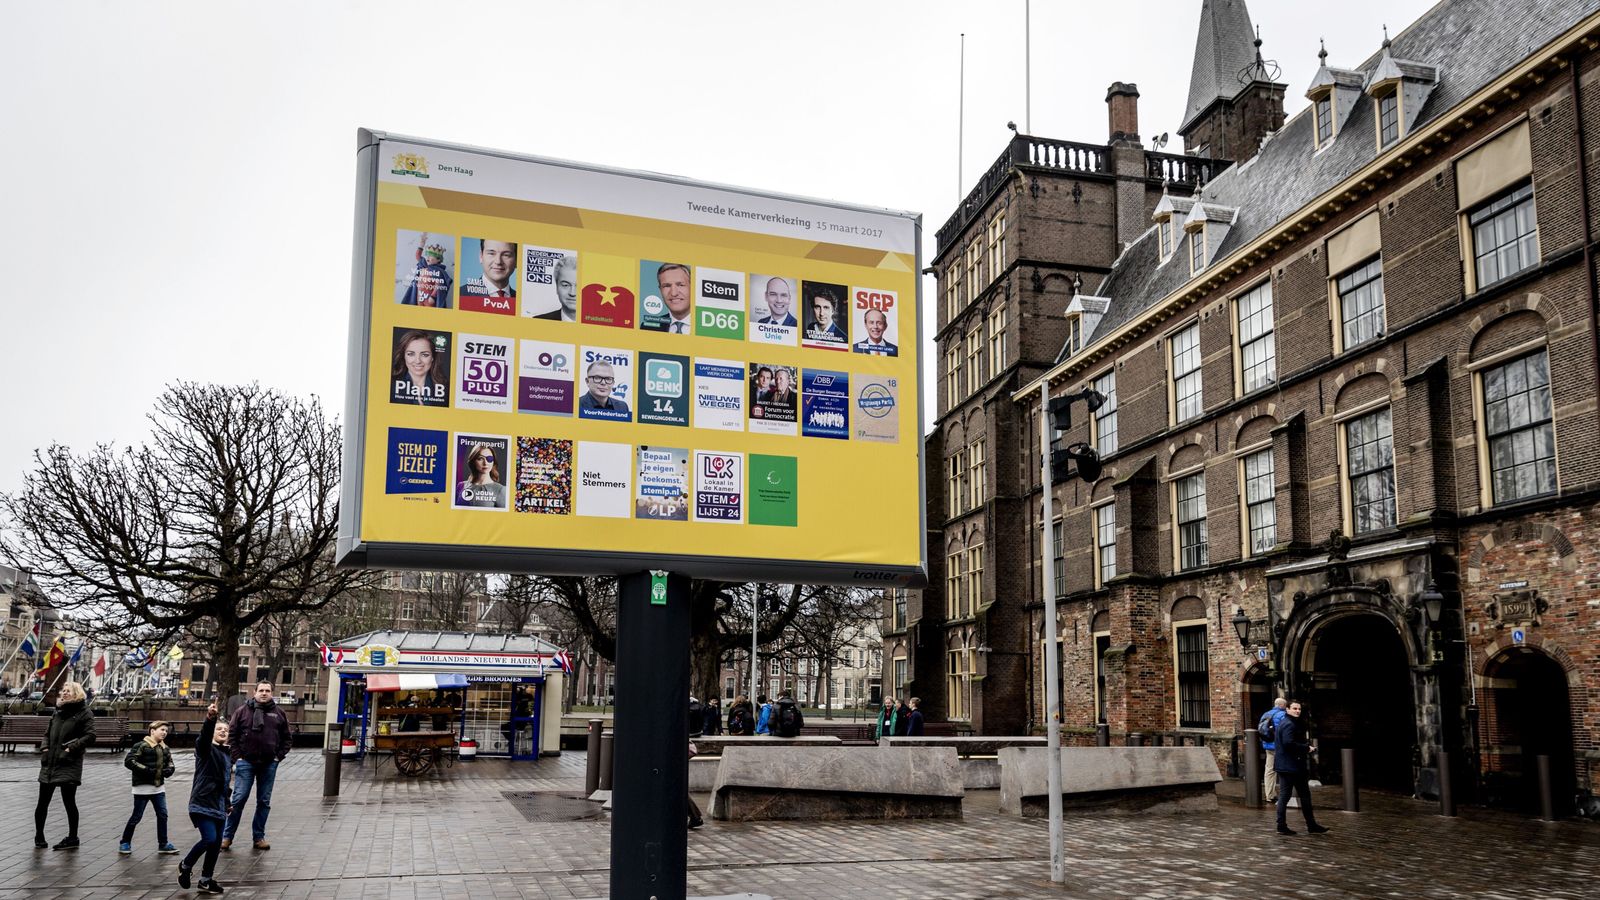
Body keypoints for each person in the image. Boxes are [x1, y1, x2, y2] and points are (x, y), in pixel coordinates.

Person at [222, 682, 292, 851]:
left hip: (269, 763)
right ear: (254, 692)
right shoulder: (242, 711)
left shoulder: (279, 713)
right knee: (239, 799)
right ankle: (227, 836)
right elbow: (232, 735)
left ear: (272, 693)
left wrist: (278, 757)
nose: (264, 693)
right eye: (261, 690)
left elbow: (287, 738)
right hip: (246, 762)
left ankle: (258, 837)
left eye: (267, 691)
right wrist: (237, 758)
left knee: (264, 801)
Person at [35, 680, 94, 850]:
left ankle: (73, 837)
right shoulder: (58, 712)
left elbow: (90, 735)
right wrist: (44, 748)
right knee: (42, 802)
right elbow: (48, 733)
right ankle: (39, 835)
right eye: (63, 690)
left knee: (69, 801)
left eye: (68, 691)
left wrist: (70, 749)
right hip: (50, 762)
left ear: (77, 693)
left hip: (69, 762)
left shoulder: (84, 712)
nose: (64, 693)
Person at [179, 702, 231, 894]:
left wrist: (227, 801)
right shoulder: (205, 750)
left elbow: (224, 782)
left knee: (216, 844)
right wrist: (211, 719)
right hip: (202, 802)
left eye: (226, 729)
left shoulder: (226, 754)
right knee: (209, 839)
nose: (223, 731)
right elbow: (204, 737)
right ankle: (185, 865)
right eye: (219, 729)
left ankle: (205, 880)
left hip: (219, 805)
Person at [121, 719, 179, 855]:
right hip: (142, 788)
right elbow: (129, 761)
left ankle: (163, 844)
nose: (164, 732)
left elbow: (170, 763)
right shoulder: (141, 745)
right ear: (152, 731)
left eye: (166, 730)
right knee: (136, 816)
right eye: (162, 730)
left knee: (163, 815)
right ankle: (124, 842)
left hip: (159, 788)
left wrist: (170, 770)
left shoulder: (165, 747)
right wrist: (147, 770)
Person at [1273, 699, 1329, 835]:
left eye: (1299, 709)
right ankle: (1284, 825)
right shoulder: (1289, 724)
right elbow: (1288, 743)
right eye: (1294, 708)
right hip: (1290, 766)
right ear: (1287, 709)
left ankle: (1310, 825)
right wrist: (1306, 748)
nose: (1297, 711)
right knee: (1289, 796)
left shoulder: (1287, 722)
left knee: (1300, 796)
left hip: (1291, 765)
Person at [390, 330, 446, 406]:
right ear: (403, 356)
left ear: (433, 357)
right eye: (411, 354)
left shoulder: (445, 390)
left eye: (425, 355)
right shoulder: (390, 386)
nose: (417, 361)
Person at [460, 239, 518, 303]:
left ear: (516, 261)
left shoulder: (523, 301)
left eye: (506, 255)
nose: (498, 261)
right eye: (491, 253)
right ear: (481, 256)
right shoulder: (460, 295)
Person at [454, 443, 506, 509]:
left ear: (493, 462)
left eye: (489, 458)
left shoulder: (501, 490)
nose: (485, 463)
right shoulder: (461, 486)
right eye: (480, 458)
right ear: (473, 461)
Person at [649, 263, 693, 334]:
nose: (674, 293)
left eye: (680, 285)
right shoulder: (649, 327)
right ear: (660, 290)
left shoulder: (711, 326)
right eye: (667, 286)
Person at [1260, 697, 1288, 803]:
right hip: (1279, 747)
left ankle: (1269, 795)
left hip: (1268, 746)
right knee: (1283, 770)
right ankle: (1285, 795)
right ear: (1282, 706)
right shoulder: (1283, 715)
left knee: (1269, 770)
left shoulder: (1265, 714)